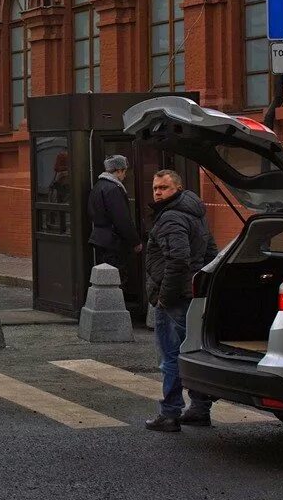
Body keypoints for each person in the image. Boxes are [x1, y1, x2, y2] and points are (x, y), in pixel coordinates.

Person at [144, 169, 219, 432]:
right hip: (193, 294)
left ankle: (169, 414)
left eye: (163, 188)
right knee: (193, 352)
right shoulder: (196, 214)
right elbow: (212, 252)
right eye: (155, 188)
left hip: (174, 298)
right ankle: (199, 410)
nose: (157, 192)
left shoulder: (171, 217)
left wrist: (164, 297)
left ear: (177, 188)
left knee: (171, 357)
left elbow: (177, 259)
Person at [87, 155, 142, 282]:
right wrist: (135, 241)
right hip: (113, 241)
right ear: (118, 170)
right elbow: (122, 219)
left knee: (104, 278)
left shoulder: (98, 186)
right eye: (124, 171)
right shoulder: (113, 189)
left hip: (100, 238)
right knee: (116, 278)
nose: (125, 175)